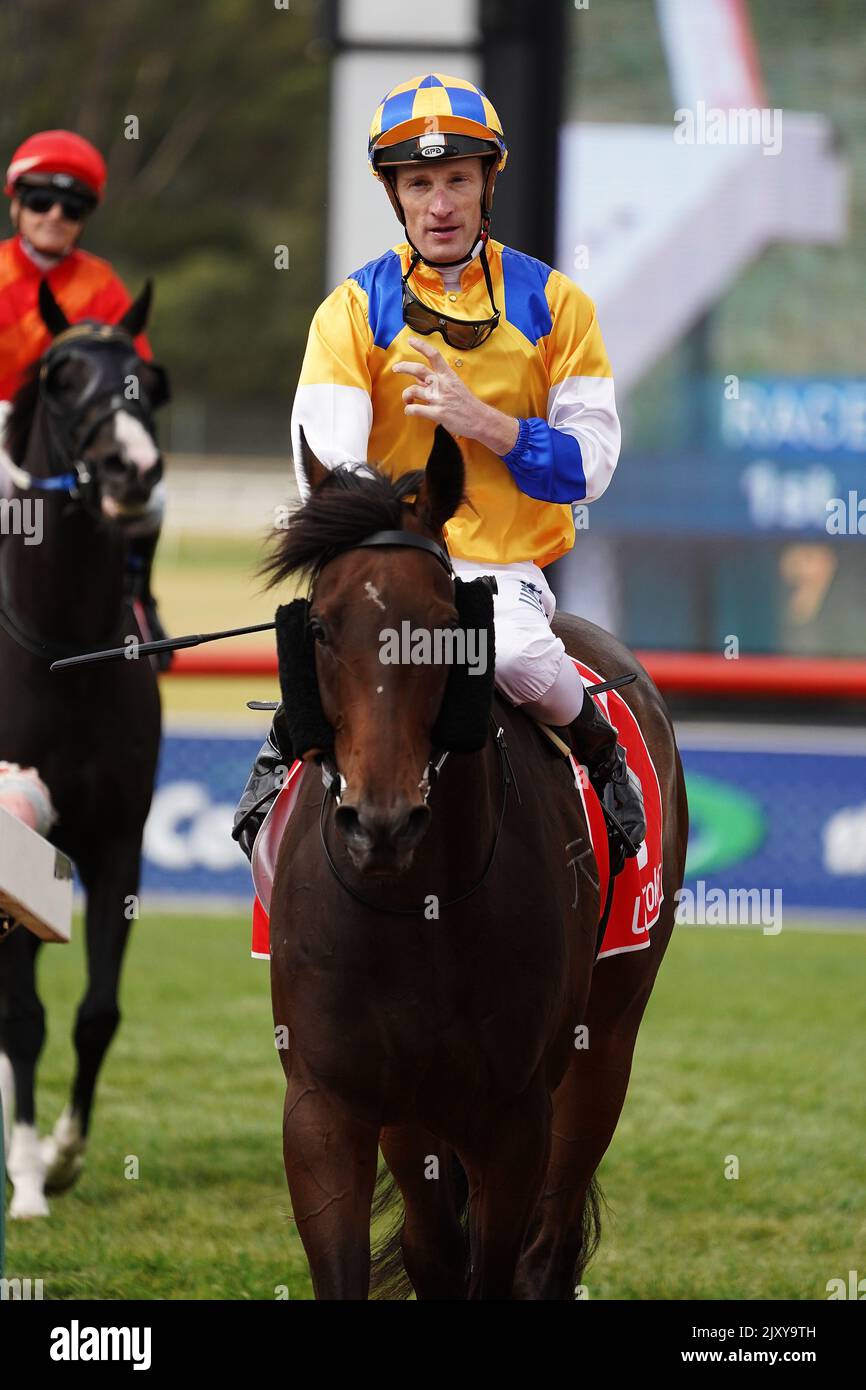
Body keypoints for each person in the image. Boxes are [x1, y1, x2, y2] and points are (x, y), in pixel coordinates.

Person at [234, 73, 645, 869]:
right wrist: (395, 538)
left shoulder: (559, 306)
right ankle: (278, 767)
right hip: (389, 563)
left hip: (503, 567)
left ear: (489, 180)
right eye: (419, 183)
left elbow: (591, 466)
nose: (441, 204)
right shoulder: (352, 310)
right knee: (331, 654)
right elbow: (329, 463)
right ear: (395, 195)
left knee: (522, 658)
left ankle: (601, 752)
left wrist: (485, 424)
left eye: (457, 179)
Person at [0, 129, 169, 654]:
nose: (54, 215)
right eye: (40, 200)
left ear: (84, 218)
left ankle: (138, 598)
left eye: (71, 207)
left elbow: (135, 369)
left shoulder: (102, 284)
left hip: (77, 430)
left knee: (154, 494)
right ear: (16, 206)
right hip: (5, 419)